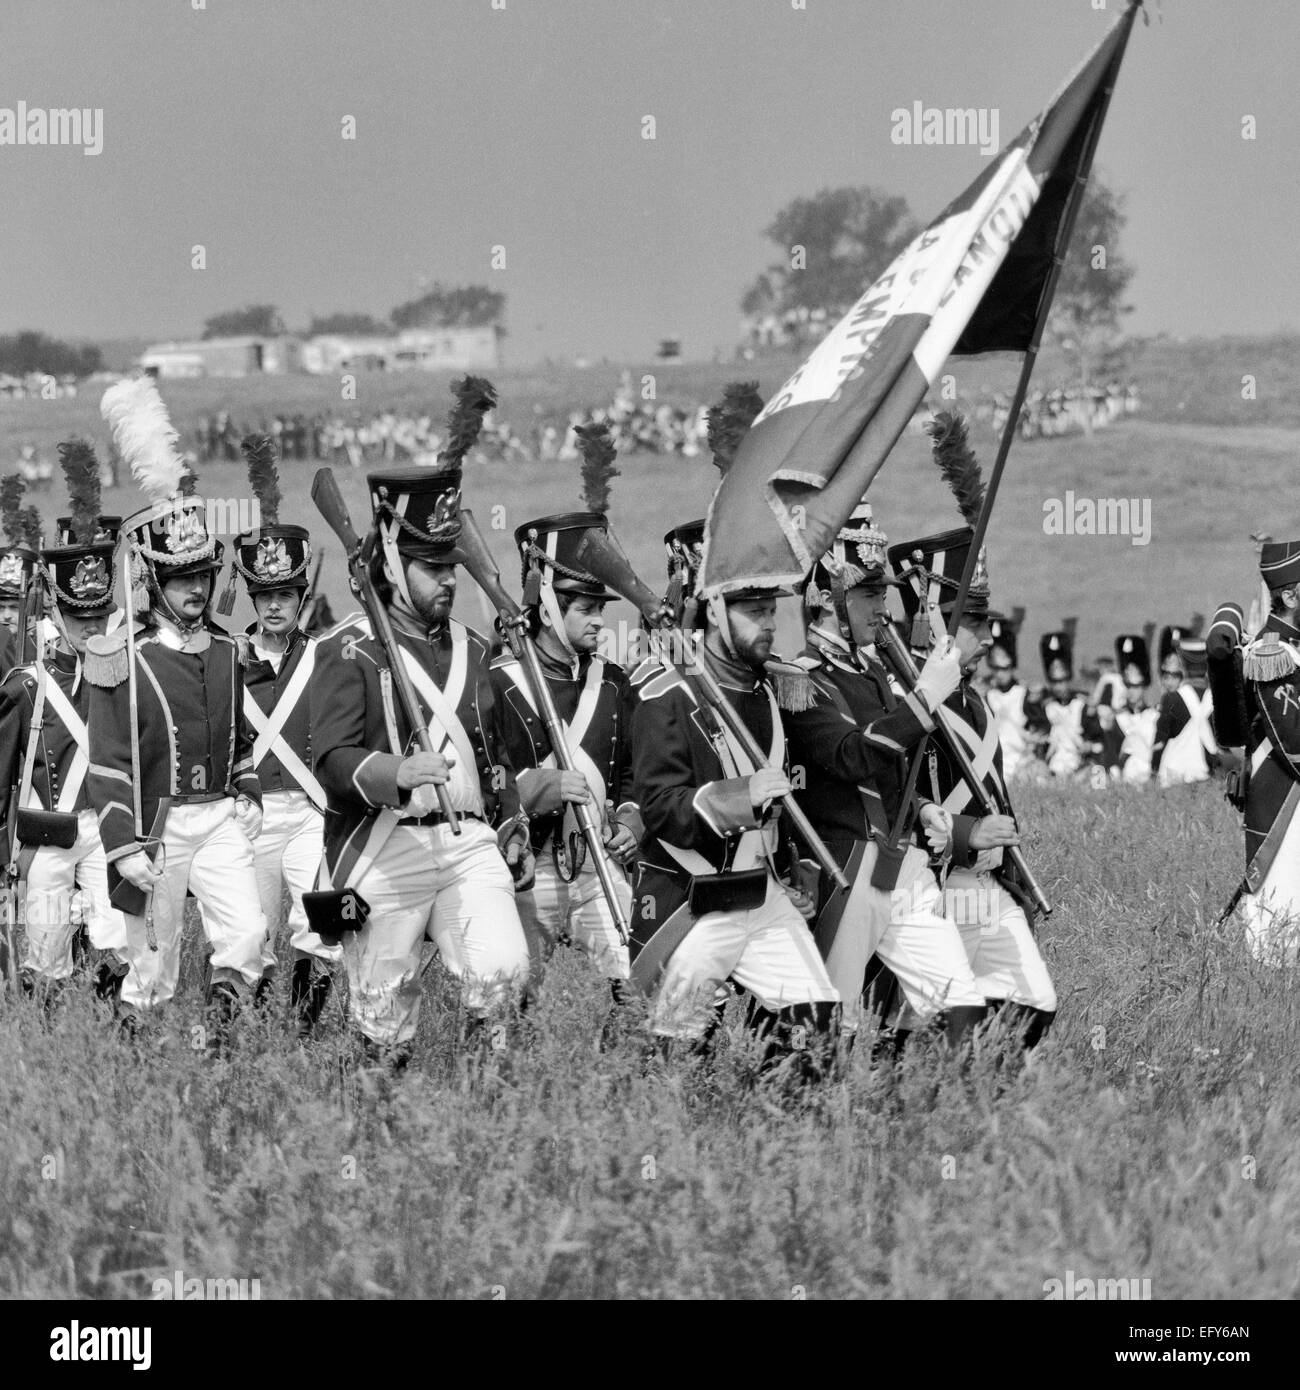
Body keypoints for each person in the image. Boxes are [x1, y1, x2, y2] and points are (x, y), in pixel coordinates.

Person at [309, 463, 534, 1067]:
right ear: (390, 564)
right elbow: (330, 759)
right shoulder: (348, 650)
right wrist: (393, 773)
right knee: (382, 1015)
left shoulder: (476, 650)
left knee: (504, 972)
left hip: (469, 844)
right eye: (431, 567)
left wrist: (512, 827)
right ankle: (379, 1124)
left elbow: (499, 761)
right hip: (387, 841)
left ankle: (480, 1101)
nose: (447, 581)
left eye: (450, 567)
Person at [85, 377, 268, 1037]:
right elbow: (105, 762)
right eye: (181, 578)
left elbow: (240, 738)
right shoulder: (120, 658)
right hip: (153, 828)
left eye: (202, 576)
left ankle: (219, 1044)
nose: (196, 589)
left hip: (219, 817)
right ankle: (145, 1074)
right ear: (155, 584)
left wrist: (245, 787)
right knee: (150, 966)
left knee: (248, 934)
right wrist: (119, 843)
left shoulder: (227, 652)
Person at [781, 501, 989, 1049]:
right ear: (827, 600)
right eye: (869, 594)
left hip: (903, 864)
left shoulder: (873, 669)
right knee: (827, 1034)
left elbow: (895, 767)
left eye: (882, 593)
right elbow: (852, 756)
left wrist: (922, 807)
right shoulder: (800, 680)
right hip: (844, 869)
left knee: (959, 1003)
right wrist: (923, 699)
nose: (883, 607)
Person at [628, 550, 840, 1077]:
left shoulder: (769, 690)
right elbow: (660, 808)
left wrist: (796, 868)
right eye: (755, 611)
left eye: (772, 609)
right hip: (696, 898)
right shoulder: (667, 693)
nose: (769, 623)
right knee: (674, 1059)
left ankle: (777, 1139)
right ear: (715, 611)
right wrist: (741, 797)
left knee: (817, 1025)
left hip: (761, 895)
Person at [891, 540, 1057, 1056]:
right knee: (927, 1021)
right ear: (936, 623)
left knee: (1034, 1003)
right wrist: (966, 834)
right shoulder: (906, 697)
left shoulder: (974, 699)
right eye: (976, 623)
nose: (988, 638)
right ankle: (916, 1106)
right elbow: (894, 800)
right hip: (936, 884)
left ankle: (984, 1103)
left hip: (988, 881)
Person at [216, 433, 341, 1039]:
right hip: (252, 813)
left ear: (301, 595)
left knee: (323, 931)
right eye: (263, 594)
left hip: (313, 814)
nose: (273, 605)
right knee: (252, 935)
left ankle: (301, 1036)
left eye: (284, 594)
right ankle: (249, 1039)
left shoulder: (328, 656)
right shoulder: (226, 659)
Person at [490, 511, 638, 1010]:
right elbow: (490, 777)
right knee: (512, 999)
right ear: (550, 607)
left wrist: (631, 821)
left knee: (636, 976)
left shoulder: (615, 682)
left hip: (600, 864)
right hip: (533, 865)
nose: (600, 619)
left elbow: (634, 772)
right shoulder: (500, 680)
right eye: (587, 607)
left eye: (602, 606)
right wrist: (539, 789)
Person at [0, 441, 129, 1003]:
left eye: (99, 615)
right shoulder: (26, 684)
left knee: (121, 942)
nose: (89, 627)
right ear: (57, 611)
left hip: (106, 828)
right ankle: (52, 1037)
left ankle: (114, 1035)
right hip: (45, 835)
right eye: (80, 616)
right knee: (45, 955)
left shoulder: (128, 676)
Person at [1206, 553, 1300, 965]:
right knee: (1279, 912)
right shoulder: (1272, 654)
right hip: (1282, 801)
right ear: (1293, 596)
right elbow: (1293, 740)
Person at [1152, 623, 1216, 787]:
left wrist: (1153, 771)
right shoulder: (1216, 699)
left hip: (1175, 777)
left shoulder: (1171, 699)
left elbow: (1160, 741)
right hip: (1210, 776)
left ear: (1184, 664)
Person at [983, 610, 1032, 780]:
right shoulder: (988, 695)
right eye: (995, 669)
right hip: (996, 762)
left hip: (1021, 763)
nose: (1000, 674)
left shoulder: (1024, 694)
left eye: (1004, 669)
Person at [1113, 632, 1158, 785]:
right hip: (1123, 782)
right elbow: (1106, 757)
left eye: (1136, 686)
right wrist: (1099, 788)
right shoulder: (1117, 718)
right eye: (1128, 686)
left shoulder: (1155, 716)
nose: (1131, 691)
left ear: (1144, 686)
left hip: (1151, 781)